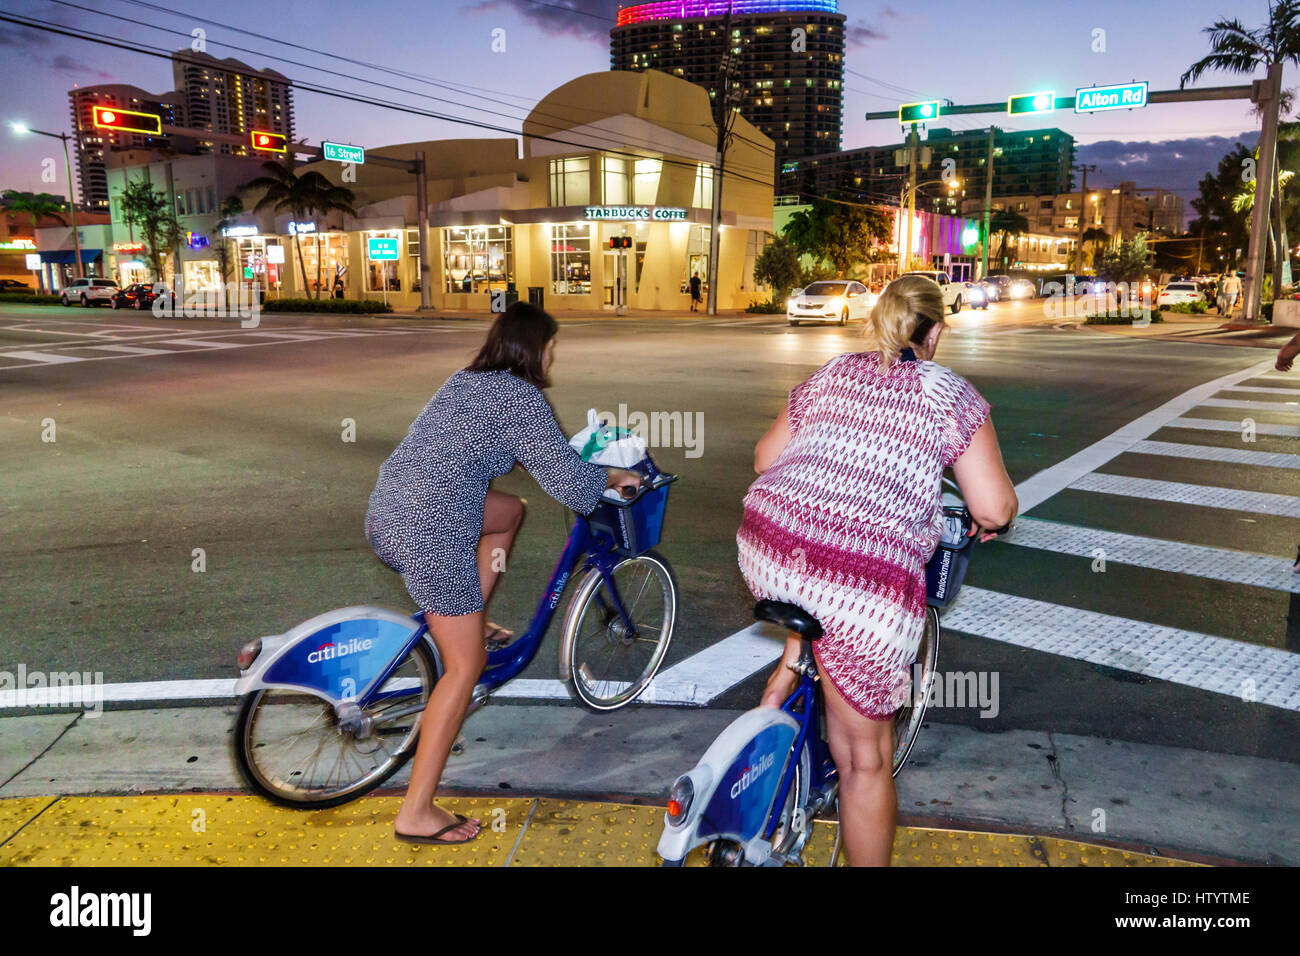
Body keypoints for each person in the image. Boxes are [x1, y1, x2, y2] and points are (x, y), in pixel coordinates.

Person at [736, 275, 1018, 867]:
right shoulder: (949, 395)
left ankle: (778, 688)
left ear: (878, 322)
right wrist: (983, 515)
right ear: (935, 330)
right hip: (857, 582)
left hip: (767, 544)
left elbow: (766, 459)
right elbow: (993, 508)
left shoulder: (835, 372)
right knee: (865, 757)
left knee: (815, 580)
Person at [364, 302, 642, 845]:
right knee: (464, 668)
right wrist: (614, 475)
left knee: (510, 512)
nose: (554, 355)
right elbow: (572, 486)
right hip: (432, 529)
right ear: (534, 348)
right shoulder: (522, 399)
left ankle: (473, 614)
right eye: (551, 346)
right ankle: (416, 811)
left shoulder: (466, 382)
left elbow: (478, 448)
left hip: (391, 508)